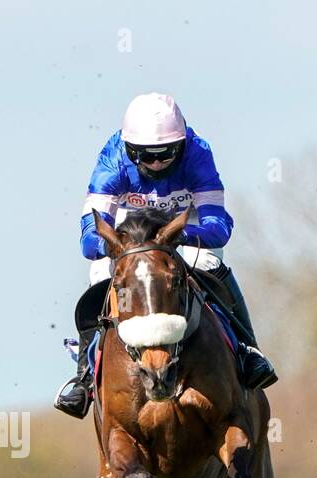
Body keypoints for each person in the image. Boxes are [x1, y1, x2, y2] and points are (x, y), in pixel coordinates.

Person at [54, 92, 277, 418]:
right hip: (132, 236)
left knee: (210, 263)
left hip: (180, 230)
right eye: (146, 156)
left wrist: (177, 236)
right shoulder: (112, 159)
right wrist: (115, 246)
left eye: (166, 154)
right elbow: (89, 239)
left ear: (181, 145)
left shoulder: (197, 153)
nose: (157, 163)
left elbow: (219, 225)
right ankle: (84, 377)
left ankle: (247, 350)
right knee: (100, 274)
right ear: (130, 150)